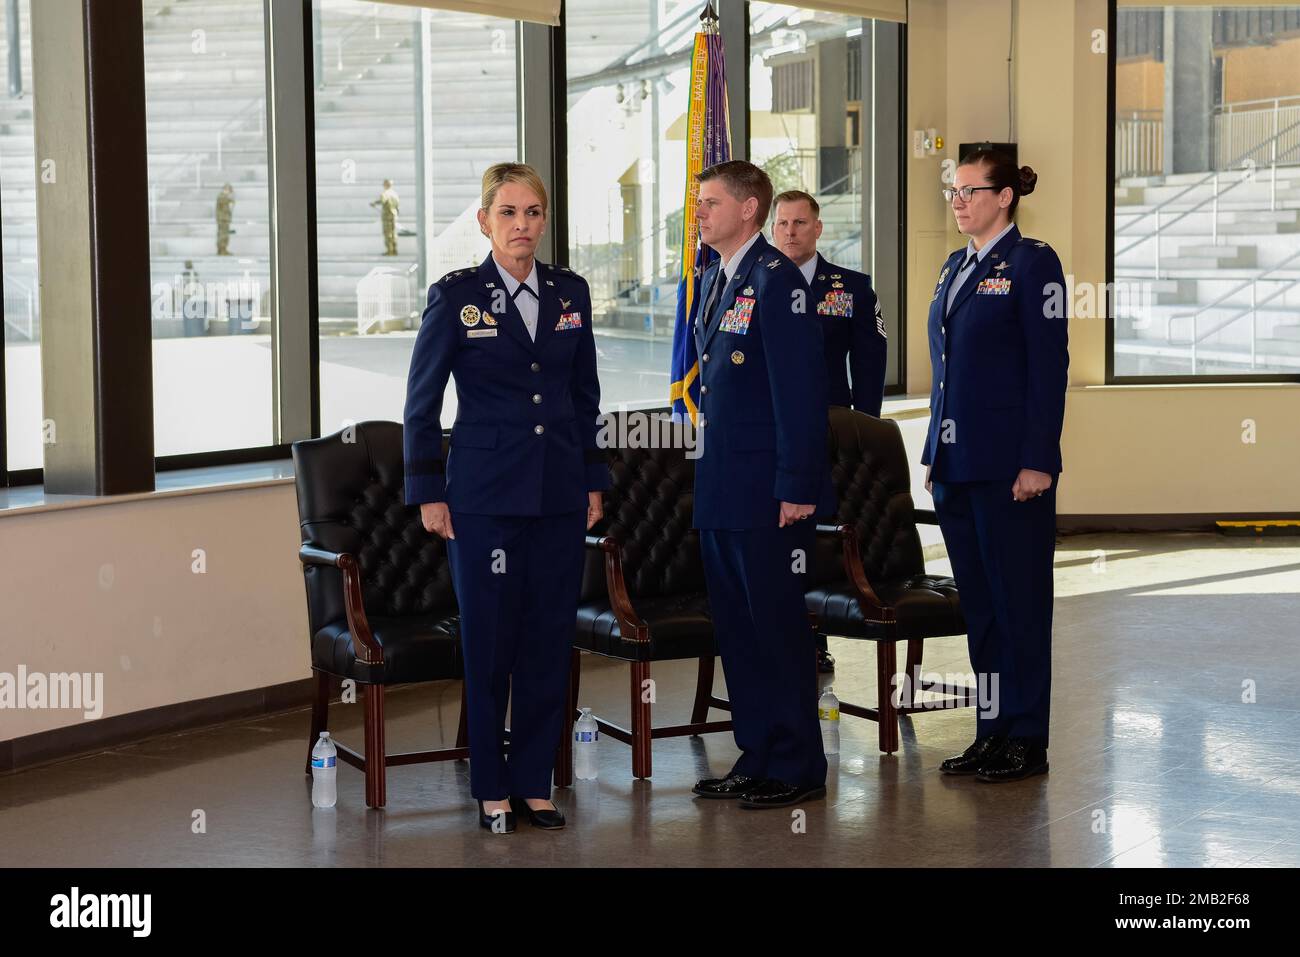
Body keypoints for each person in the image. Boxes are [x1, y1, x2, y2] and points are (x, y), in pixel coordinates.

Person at [403, 162, 608, 831]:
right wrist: (429, 490)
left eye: (534, 213)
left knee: (548, 640)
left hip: (556, 495)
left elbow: (584, 398)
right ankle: (491, 786)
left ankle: (534, 784)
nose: (523, 226)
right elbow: (421, 403)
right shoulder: (457, 295)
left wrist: (592, 481)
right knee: (491, 645)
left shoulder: (570, 292)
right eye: (510, 213)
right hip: (483, 500)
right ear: (485, 219)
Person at [689, 160, 832, 809]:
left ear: (749, 209)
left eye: (711, 202)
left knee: (775, 625)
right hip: (721, 484)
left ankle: (797, 759)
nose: (701, 212)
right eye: (699, 203)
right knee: (738, 629)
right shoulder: (720, 277)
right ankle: (758, 750)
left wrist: (798, 484)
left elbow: (800, 394)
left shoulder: (778, 282)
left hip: (769, 493)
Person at [921, 149, 1068, 783]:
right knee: (980, 608)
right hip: (958, 464)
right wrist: (933, 450)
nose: (957, 201)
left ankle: (1026, 737)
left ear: (1004, 196)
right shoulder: (955, 266)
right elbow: (946, 372)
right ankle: (991, 731)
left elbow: (1049, 368)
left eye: (969, 191)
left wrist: (1039, 459)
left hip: (1011, 470)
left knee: (1020, 605)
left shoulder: (1035, 263)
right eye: (952, 192)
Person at [772, 188, 888, 674]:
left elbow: (870, 362)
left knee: (819, 536)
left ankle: (814, 634)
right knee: (776, 538)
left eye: (801, 223)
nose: (791, 232)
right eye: (783, 224)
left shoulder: (851, 288)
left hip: (830, 432)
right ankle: (777, 631)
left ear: (818, 229)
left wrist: (863, 431)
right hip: (771, 433)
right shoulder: (754, 281)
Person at [370, 179, 400, 256]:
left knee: (388, 233)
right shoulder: (395, 194)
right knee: (393, 232)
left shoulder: (385, 193)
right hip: (394, 214)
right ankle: (394, 250)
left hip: (387, 215)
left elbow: (382, 201)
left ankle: (390, 250)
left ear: (386, 185)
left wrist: (374, 203)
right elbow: (397, 205)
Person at [215, 184, 234, 255]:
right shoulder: (222, 197)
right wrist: (231, 200)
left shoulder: (223, 197)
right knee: (223, 235)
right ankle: (222, 250)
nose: (229, 192)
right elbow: (226, 202)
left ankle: (222, 249)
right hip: (223, 219)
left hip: (224, 219)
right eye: (229, 190)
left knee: (224, 234)